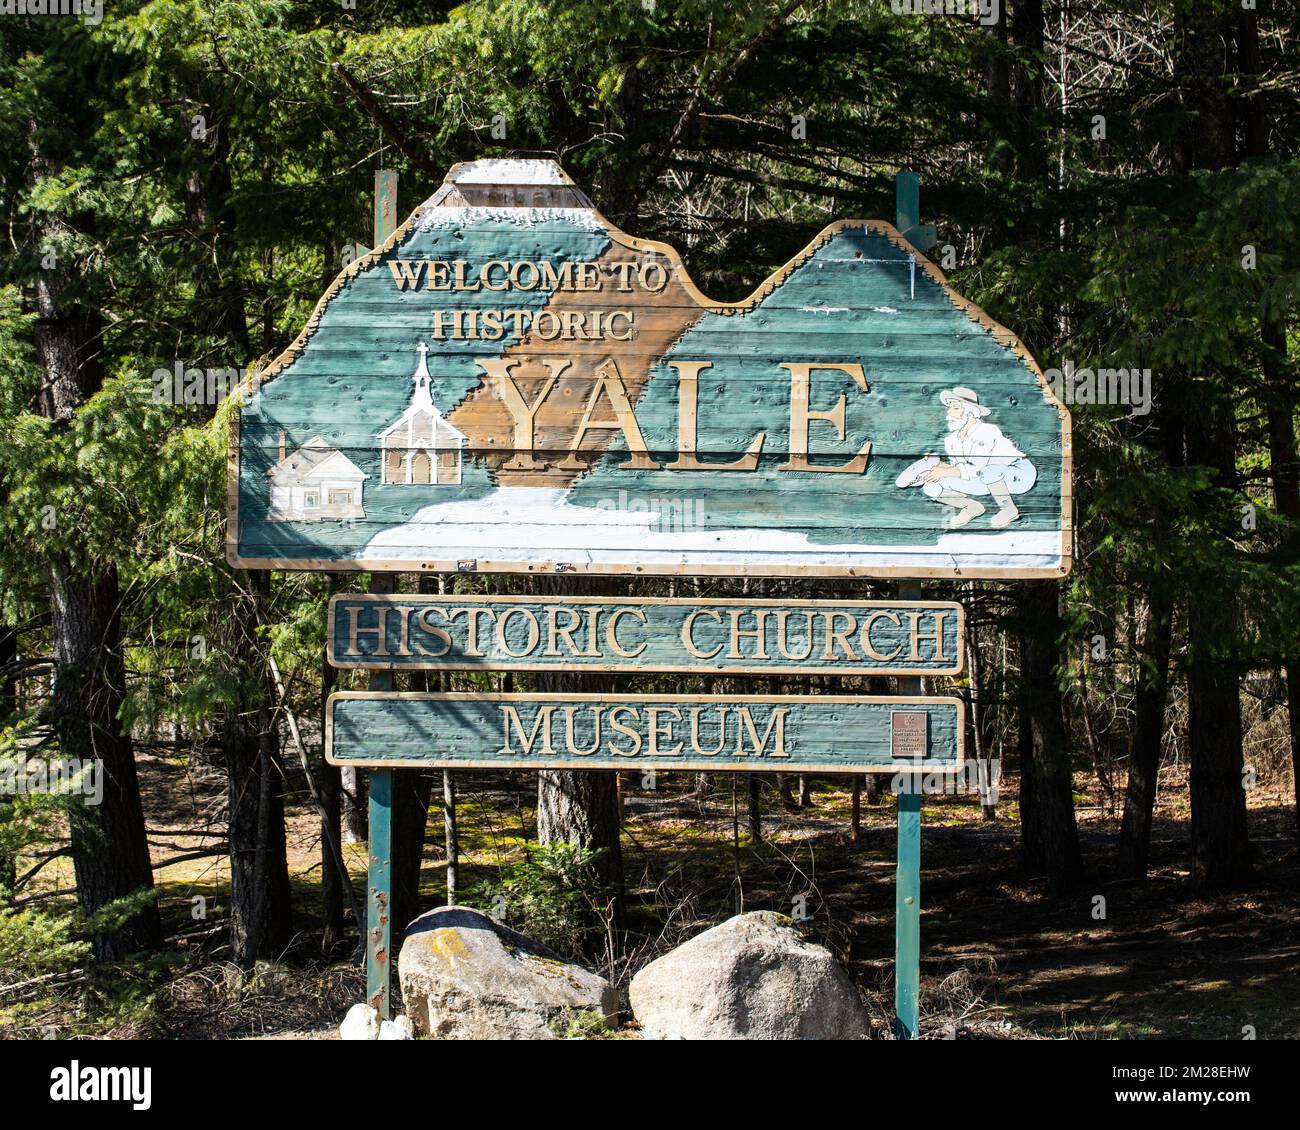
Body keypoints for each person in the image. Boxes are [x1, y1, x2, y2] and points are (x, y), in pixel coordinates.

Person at [918, 387, 1037, 529]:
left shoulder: (987, 431)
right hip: (984, 479)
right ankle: (971, 507)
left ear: (970, 412)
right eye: (949, 408)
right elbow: (960, 468)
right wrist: (936, 466)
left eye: (955, 408)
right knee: (931, 485)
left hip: (1017, 474)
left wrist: (944, 471)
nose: (949, 413)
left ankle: (1009, 509)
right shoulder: (951, 440)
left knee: (988, 471)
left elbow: (978, 467)